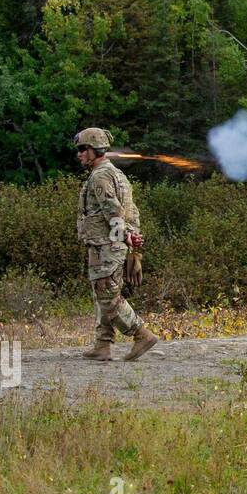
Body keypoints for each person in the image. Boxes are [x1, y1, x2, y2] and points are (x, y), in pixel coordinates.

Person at [74, 127, 158, 361]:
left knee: (108, 296)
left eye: (82, 149)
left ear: (94, 150)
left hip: (106, 245)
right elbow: (132, 211)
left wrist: (125, 236)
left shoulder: (100, 176)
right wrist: (132, 236)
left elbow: (114, 211)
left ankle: (141, 334)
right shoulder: (117, 174)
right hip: (112, 244)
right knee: (102, 293)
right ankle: (102, 345)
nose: (79, 154)